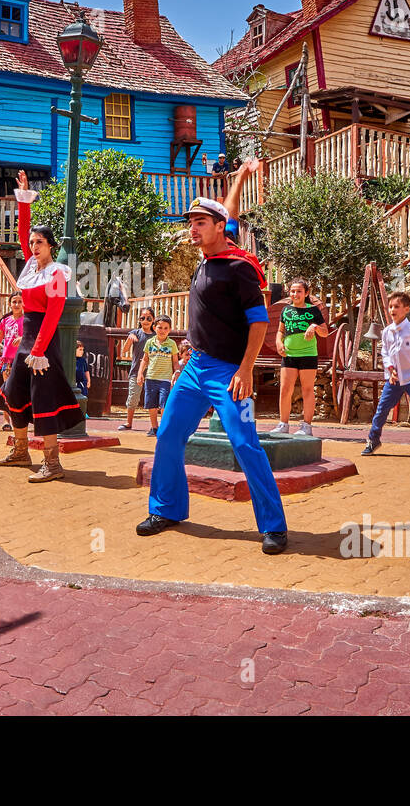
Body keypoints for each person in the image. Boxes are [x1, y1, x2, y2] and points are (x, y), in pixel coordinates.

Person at [137, 195, 289, 555]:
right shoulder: (208, 259)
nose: (192, 228)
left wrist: (246, 369)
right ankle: (166, 510)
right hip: (195, 369)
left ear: (221, 227)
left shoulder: (239, 267)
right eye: (191, 222)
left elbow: (260, 322)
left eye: (200, 222)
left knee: (245, 444)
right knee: (168, 434)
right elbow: (229, 207)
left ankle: (274, 527)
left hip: (230, 374)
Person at [0, 170, 85, 482]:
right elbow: (22, 230)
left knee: (44, 400)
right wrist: (24, 198)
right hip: (25, 341)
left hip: (44, 344)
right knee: (14, 393)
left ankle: (53, 464)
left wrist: (39, 350)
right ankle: (21, 451)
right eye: (32, 242)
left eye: (40, 242)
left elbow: (55, 313)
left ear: (51, 245)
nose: (33, 246)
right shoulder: (32, 267)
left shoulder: (57, 274)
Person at [362, 291, 410, 461]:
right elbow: (385, 352)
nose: (392, 310)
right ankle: (373, 440)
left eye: (396, 306)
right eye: (390, 306)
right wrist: (389, 368)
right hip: (394, 379)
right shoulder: (386, 332)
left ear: (406, 309)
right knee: (382, 409)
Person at [270, 278, 328, 437]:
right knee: (284, 389)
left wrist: (314, 326)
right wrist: (278, 343)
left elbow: (325, 332)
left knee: (307, 389)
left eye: (299, 291)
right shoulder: (286, 310)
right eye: (292, 291)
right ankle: (283, 424)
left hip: (308, 355)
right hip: (289, 355)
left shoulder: (313, 310)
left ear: (306, 293)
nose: (295, 294)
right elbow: (280, 331)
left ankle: (307, 426)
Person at [0, 292, 24, 430]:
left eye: (19, 301)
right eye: (14, 302)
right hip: (6, 360)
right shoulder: (6, 321)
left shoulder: (26, 321)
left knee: (20, 390)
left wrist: (22, 339)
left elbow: (33, 337)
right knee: (6, 390)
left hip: (20, 361)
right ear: (10, 304)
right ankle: (6, 421)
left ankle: (21, 420)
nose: (17, 304)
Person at [137, 315, 177, 437]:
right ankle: (154, 427)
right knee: (152, 405)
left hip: (165, 379)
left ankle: (164, 427)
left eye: (166, 328)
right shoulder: (150, 342)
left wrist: (177, 372)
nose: (162, 330)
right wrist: (140, 373)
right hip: (151, 378)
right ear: (154, 328)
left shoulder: (172, 344)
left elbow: (175, 361)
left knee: (164, 405)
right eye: (160, 327)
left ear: (169, 329)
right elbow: (145, 359)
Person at [118, 308, 156, 430]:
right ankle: (128, 423)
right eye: (142, 318)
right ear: (139, 320)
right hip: (136, 371)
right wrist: (129, 340)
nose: (145, 320)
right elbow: (124, 350)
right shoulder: (135, 333)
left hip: (152, 372)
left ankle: (154, 426)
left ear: (153, 320)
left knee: (152, 399)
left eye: (148, 318)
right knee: (133, 397)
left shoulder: (156, 336)